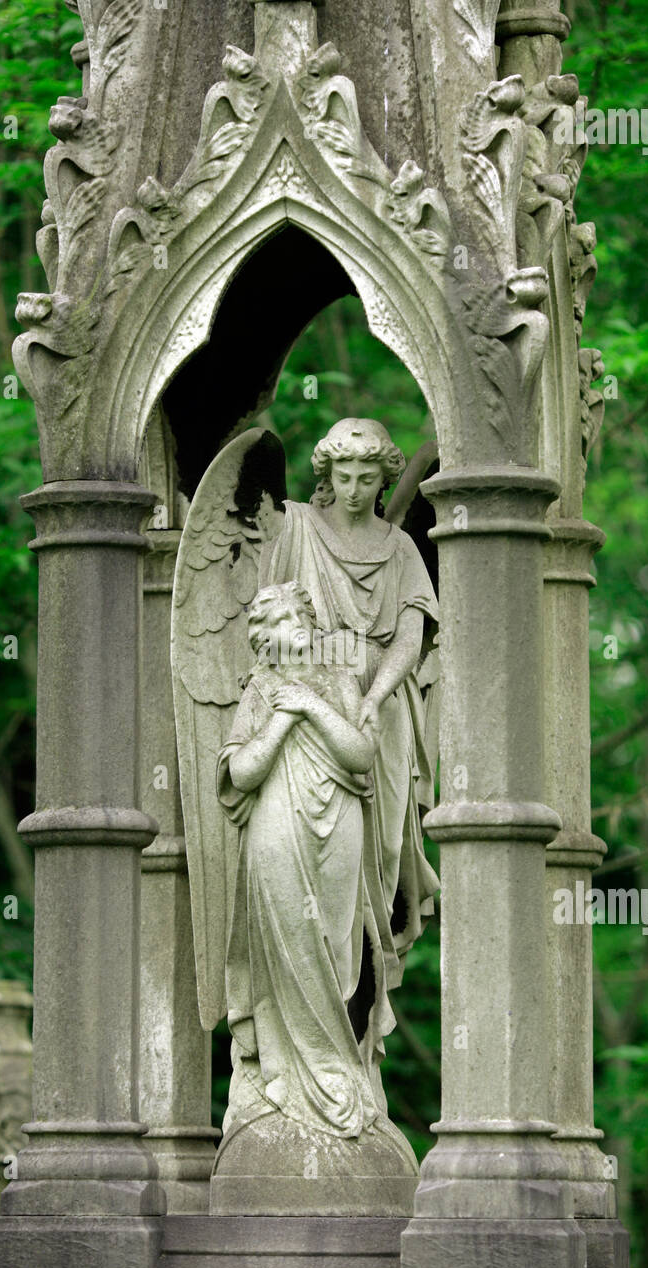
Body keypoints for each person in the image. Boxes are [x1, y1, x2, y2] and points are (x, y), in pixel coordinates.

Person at [217, 581, 402, 1140]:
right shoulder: (259, 690)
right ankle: (293, 1076)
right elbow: (242, 773)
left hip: (339, 822)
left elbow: (361, 755)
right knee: (286, 939)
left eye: (298, 617)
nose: (290, 627)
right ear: (263, 638)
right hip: (277, 824)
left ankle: (342, 1067)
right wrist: (281, 717)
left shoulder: (342, 682)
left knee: (335, 943)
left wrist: (311, 704)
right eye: (275, 622)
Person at [260, 418, 439, 965]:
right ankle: (321, 977)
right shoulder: (294, 531)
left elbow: (410, 638)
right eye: (344, 476)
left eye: (366, 477)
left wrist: (374, 696)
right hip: (313, 704)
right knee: (321, 842)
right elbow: (265, 628)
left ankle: (371, 977)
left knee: (383, 844)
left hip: (384, 705)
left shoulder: (402, 548)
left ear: (384, 477)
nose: (355, 489)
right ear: (328, 474)